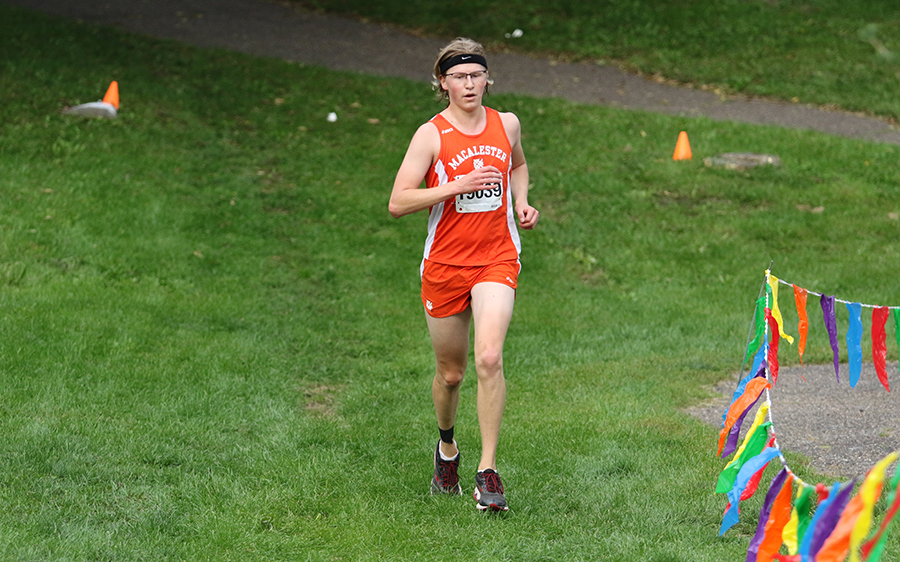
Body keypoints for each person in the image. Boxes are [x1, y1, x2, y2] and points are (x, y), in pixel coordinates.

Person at [388, 37, 539, 512]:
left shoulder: (506, 124)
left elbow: (518, 164)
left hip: (497, 257)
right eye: (459, 76)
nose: (469, 84)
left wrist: (521, 201)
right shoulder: (430, 135)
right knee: (451, 374)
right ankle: (447, 450)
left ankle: (488, 473)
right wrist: (454, 185)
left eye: (476, 75)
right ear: (442, 83)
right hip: (446, 265)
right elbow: (398, 202)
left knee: (489, 358)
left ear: (487, 79)